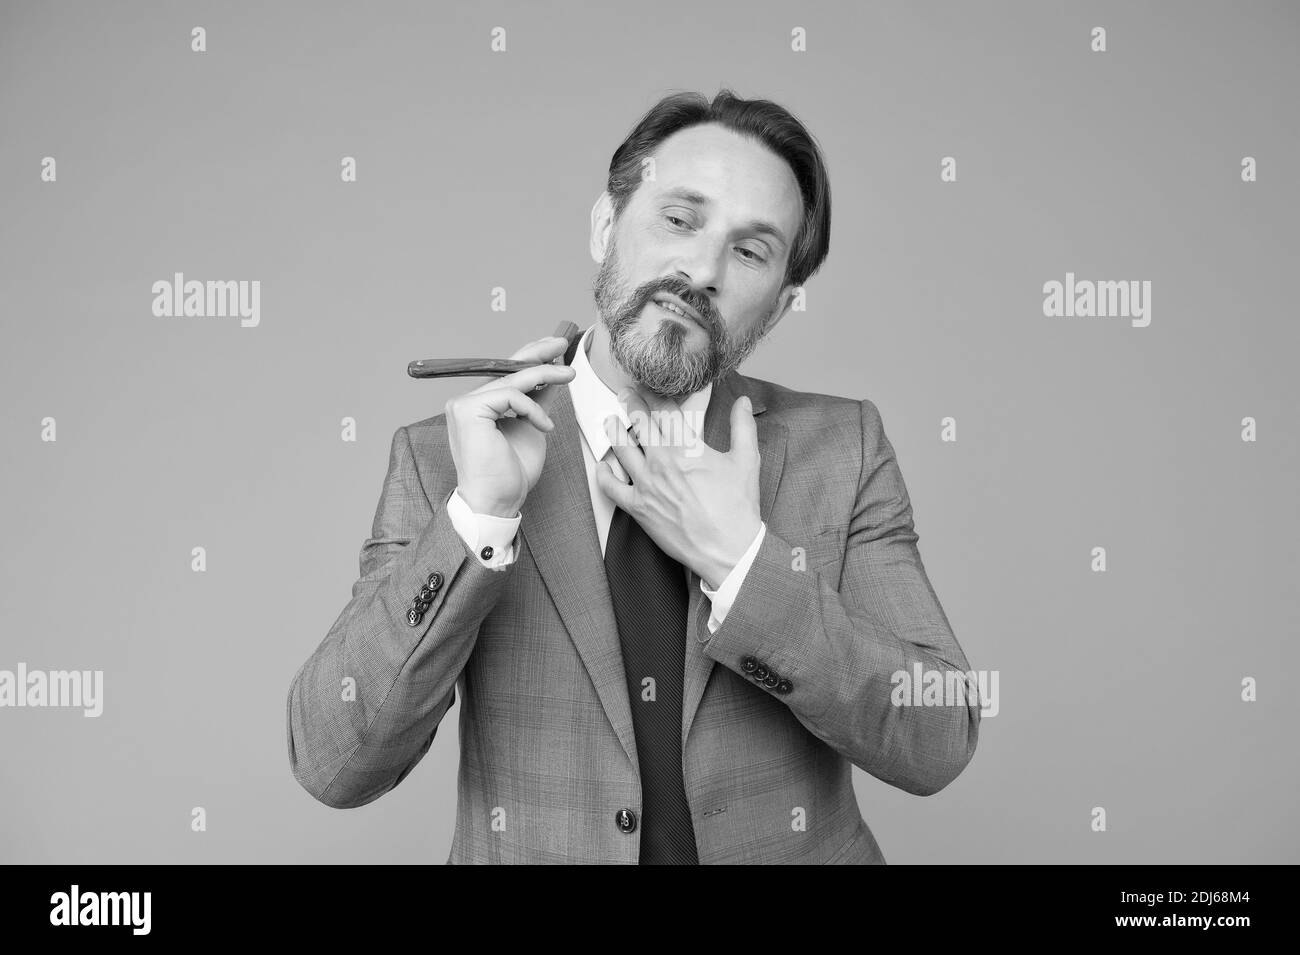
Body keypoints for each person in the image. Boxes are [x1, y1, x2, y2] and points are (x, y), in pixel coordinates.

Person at [286, 89, 980, 864]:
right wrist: (479, 517)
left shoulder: (842, 449)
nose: (701, 269)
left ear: (780, 306)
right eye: (679, 219)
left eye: (750, 251)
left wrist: (743, 565)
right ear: (605, 225)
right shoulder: (446, 460)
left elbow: (939, 738)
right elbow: (333, 762)